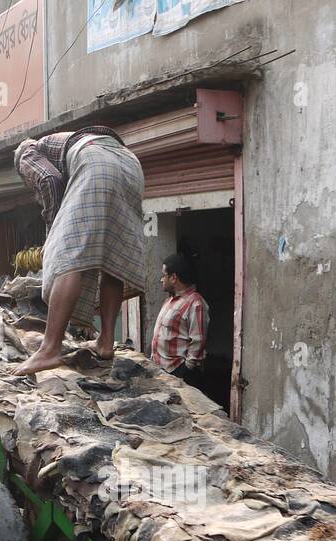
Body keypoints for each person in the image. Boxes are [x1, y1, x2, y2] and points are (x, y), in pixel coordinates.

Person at [11, 127, 146, 376]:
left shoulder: (26, 152)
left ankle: (50, 349)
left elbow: (49, 181)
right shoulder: (61, 144)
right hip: (131, 165)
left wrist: (55, 235)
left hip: (95, 160)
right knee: (110, 256)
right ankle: (105, 342)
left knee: (66, 255)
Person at [151, 252, 209, 385]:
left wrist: (186, 369)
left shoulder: (195, 303)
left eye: (163, 275)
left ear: (173, 278)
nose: (161, 280)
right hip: (162, 370)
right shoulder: (171, 300)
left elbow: (198, 341)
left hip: (178, 372)